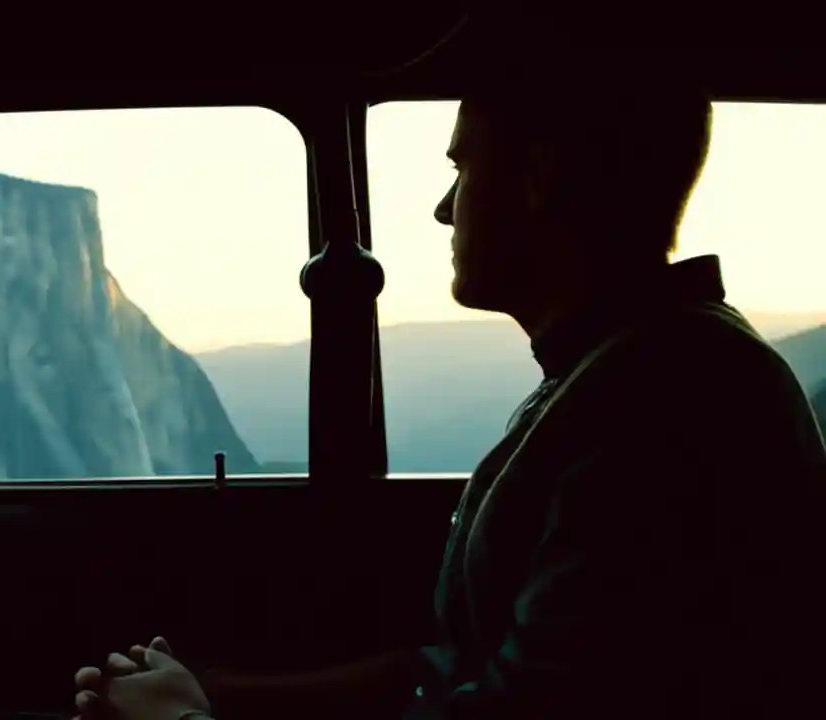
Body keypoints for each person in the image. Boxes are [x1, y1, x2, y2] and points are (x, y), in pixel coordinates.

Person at [72, 56, 826, 720]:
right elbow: (449, 671)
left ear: (540, 178)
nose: (442, 207)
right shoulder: (627, 372)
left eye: (463, 167)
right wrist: (215, 692)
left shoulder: (667, 406)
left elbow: (524, 707)